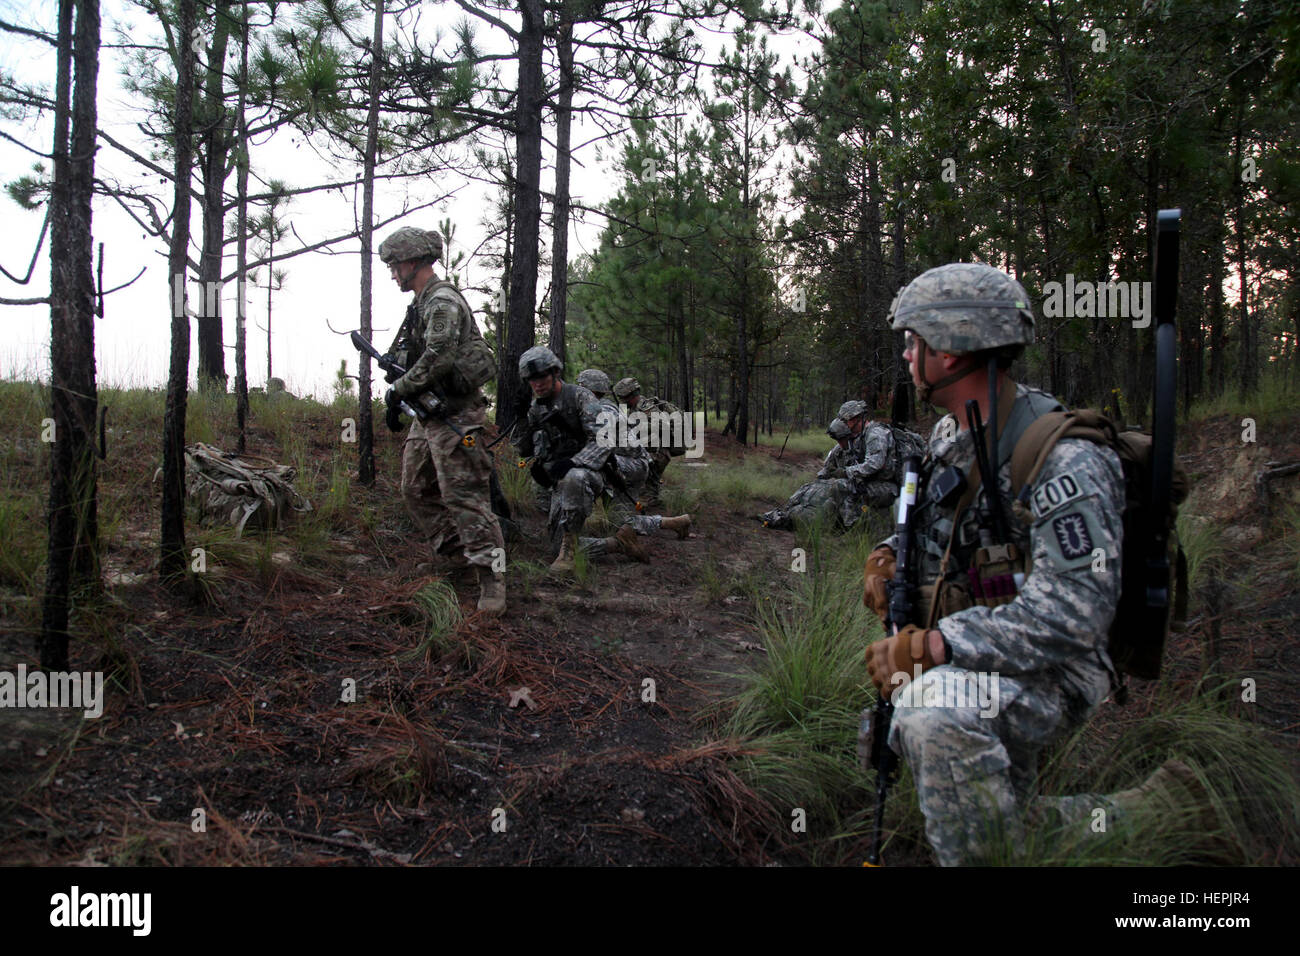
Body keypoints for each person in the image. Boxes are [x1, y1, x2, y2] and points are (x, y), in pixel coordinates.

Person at [862, 262, 1201, 865]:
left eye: (914, 341)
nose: (907, 356)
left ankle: (1147, 816)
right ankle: (1160, 810)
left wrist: (939, 647)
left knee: (929, 715)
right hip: (987, 646)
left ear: (952, 349)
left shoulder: (1062, 457)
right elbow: (930, 523)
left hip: (1053, 667)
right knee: (918, 756)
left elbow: (1075, 615)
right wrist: (890, 557)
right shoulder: (950, 433)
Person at [378, 226, 505, 615]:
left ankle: (492, 577)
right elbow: (412, 356)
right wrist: (399, 394)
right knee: (414, 488)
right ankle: (459, 558)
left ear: (413, 261)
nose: (392, 272)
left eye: (395, 265)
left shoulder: (442, 301)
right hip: (428, 414)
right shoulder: (419, 304)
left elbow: (439, 358)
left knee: (464, 496)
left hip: (457, 415)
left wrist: (400, 387)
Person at [515, 348, 649, 573]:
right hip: (575, 472)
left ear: (555, 372)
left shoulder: (580, 397)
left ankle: (569, 551)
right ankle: (617, 544)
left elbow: (602, 440)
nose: (537, 384)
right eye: (531, 379)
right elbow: (523, 449)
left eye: (542, 377)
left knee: (574, 476)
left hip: (597, 467)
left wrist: (574, 462)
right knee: (554, 545)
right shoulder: (537, 408)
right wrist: (521, 421)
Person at [758, 401, 914, 531]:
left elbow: (875, 464)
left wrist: (845, 472)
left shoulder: (875, 434)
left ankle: (846, 526)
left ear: (856, 418)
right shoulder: (859, 438)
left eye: (846, 420)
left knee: (842, 487)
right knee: (831, 486)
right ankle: (785, 513)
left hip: (889, 487)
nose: (845, 424)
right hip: (873, 483)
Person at [576, 368, 692, 541]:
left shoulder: (642, 409)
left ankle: (649, 501)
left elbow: (650, 434)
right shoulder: (630, 409)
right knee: (621, 517)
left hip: (649, 456)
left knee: (638, 497)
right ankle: (671, 521)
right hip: (641, 457)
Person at [610, 377, 683, 504]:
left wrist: (638, 426)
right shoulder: (634, 409)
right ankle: (651, 498)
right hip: (649, 450)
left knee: (646, 485)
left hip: (657, 452)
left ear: (630, 395)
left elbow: (663, 426)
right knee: (646, 483)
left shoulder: (645, 407)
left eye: (622, 397)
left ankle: (651, 506)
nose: (621, 400)